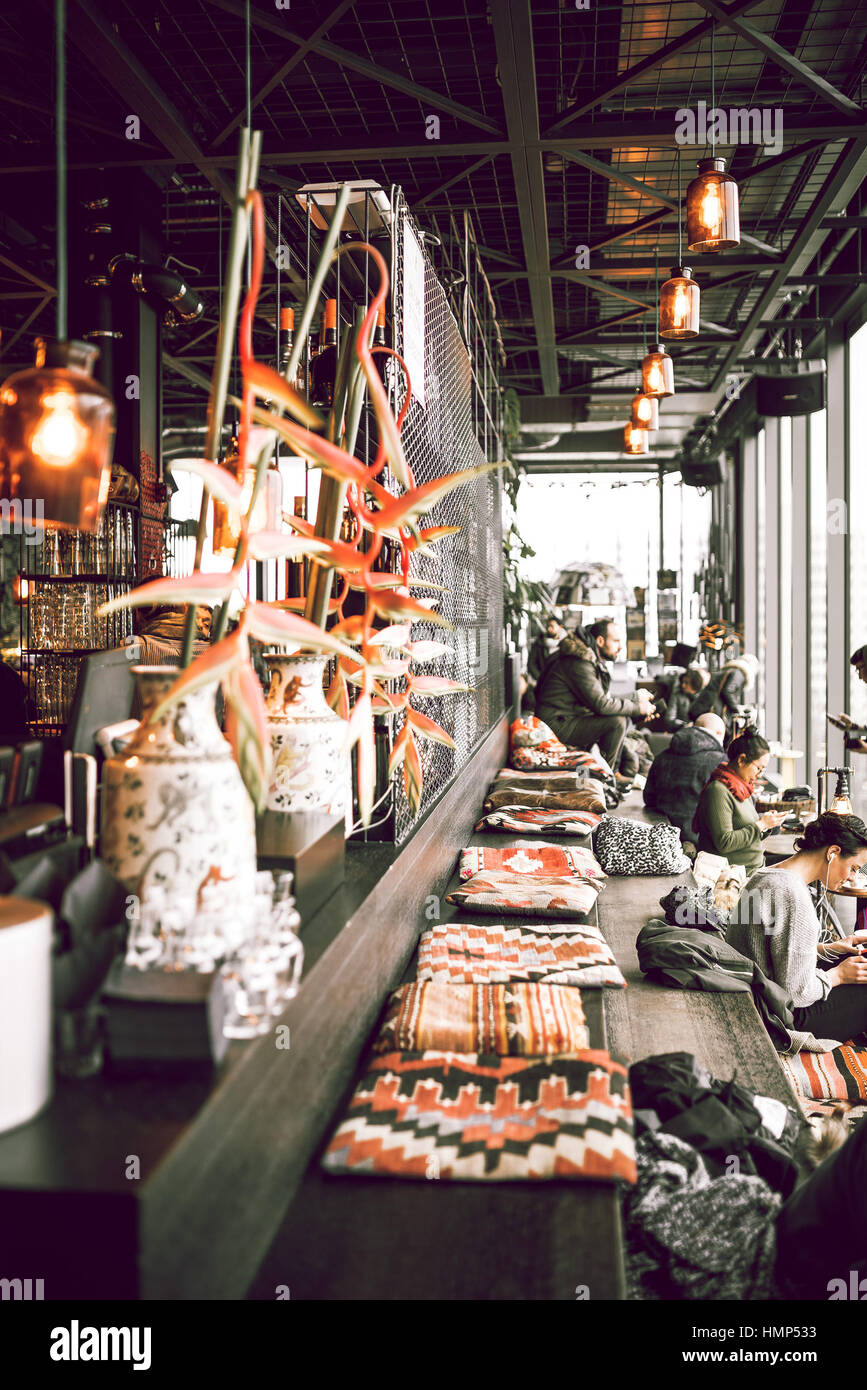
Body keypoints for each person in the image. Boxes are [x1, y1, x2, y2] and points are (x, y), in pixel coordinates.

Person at [728, 812, 867, 1048]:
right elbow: (796, 992)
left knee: (849, 956)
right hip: (778, 1017)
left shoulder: (765, 875)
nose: (853, 878)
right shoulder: (793, 896)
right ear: (833, 853)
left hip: (755, 992)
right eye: (853, 868)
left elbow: (772, 949)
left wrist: (830, 949)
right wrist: (838, 976)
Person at [534, 616, 656, 776]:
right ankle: (604, 778)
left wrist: (635, 698)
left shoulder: (585, 657)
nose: (620, 647)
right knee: (616, 722)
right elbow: (601, 704)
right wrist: (637, 708)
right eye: (616, 641)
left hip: (566, 718)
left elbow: (600, 697)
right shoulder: (579, 662)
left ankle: (605, 774)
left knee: (620, 718)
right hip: (555, 724)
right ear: (600, 641)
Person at [692, 725, 788, 873]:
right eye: (758, 768)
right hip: (733, 876)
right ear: (742, 760)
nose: (760, 774)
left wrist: (767, 824)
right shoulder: (718, 790)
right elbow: (725, 842)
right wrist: (761, 825)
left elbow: (745, 830)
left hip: (751, 868)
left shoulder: (740, 787)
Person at [643, 712, 727, 841]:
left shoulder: (662, 756)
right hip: (699, 839)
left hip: (663, 836)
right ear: (719, 734)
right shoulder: (720, 762)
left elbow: (649, 798)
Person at [689, 653, 759, 730]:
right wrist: (736, 709)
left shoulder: (730, 669)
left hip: (704, 707)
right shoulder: (739, 672)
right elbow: (728, 691)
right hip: (712, 711)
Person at [526, 615, 566, 688]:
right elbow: (531, 663)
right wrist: (541, 679)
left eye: (552, 626)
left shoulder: (566, 644)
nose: (549, 628)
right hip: (540, 683)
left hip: (559, 684)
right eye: (548, 626)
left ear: (560, 627)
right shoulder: (539, 642)